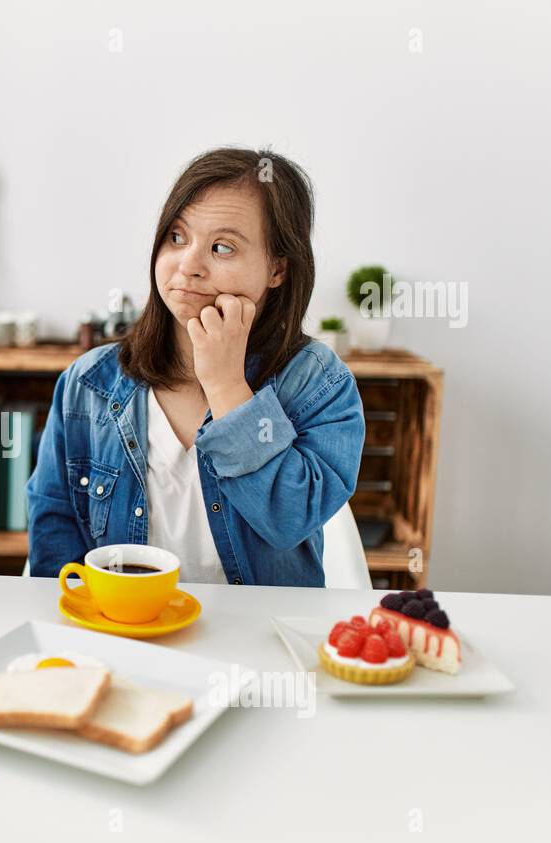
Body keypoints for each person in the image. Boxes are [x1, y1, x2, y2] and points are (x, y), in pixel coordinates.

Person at [27, 147, 364, 586]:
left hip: (259, 642)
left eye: (222, 247)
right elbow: (55, 545)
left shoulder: (318, 383)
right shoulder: (88, 383)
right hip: (122, 637)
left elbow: (288, 519)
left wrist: (226, 385)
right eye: (177, 238)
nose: (188, 266)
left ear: (277, 268)